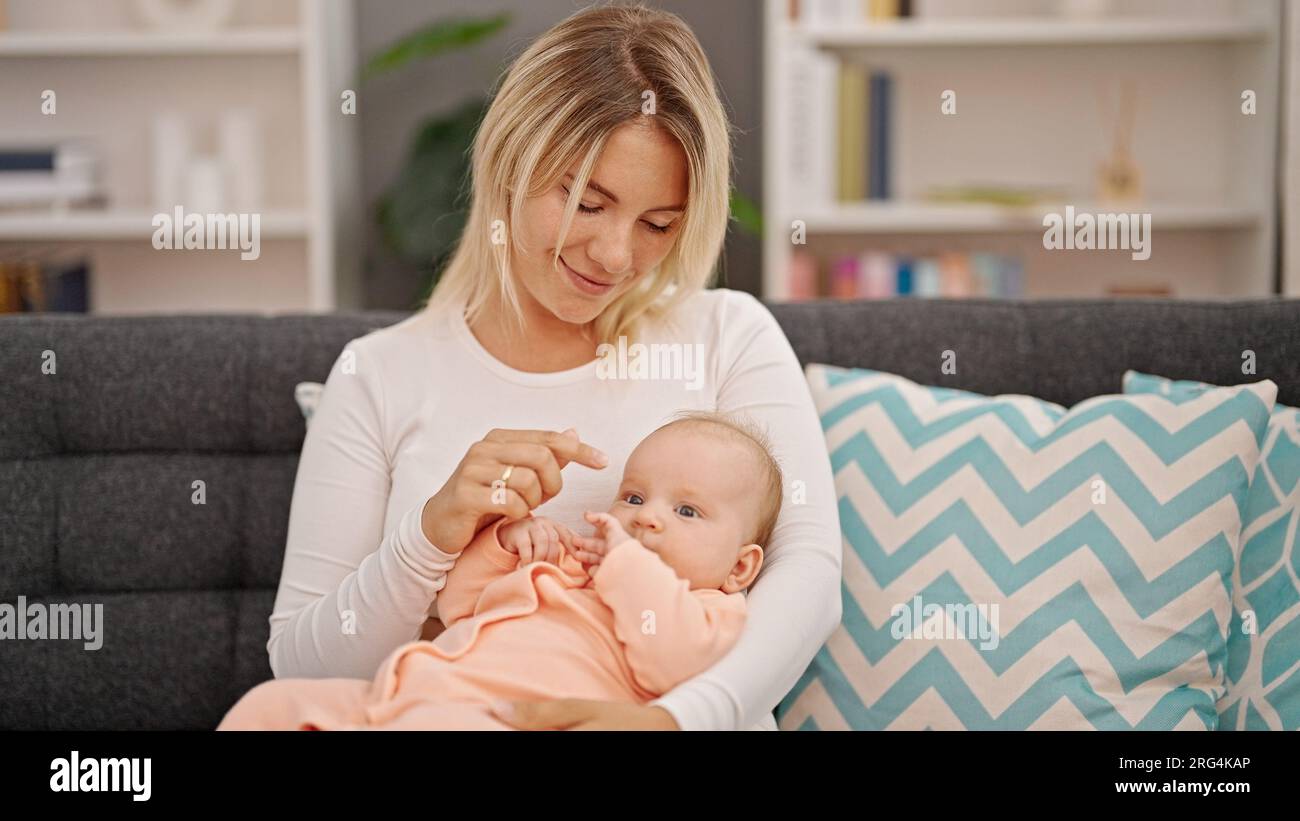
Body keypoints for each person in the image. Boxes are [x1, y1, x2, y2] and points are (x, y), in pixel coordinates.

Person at [265, 2, 841, 731]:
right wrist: (429, 536)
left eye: (658, 223)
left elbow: (810, 577)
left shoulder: (728, 336)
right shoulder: (378, 375)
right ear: (509, 162)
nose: (614, 255)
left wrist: (676, 720)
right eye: (584, 200)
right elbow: (303, 667)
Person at [221, 412, 781, 730]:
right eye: (633, 498)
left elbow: (672, 660)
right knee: (268, 708)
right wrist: (506, 541)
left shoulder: (711, 611)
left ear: (740, 567)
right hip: (400, 695)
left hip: (502, 719)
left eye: (686, 511)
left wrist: (627, 566)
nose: (648, 519)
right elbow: (460, 603)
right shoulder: (568, 562)